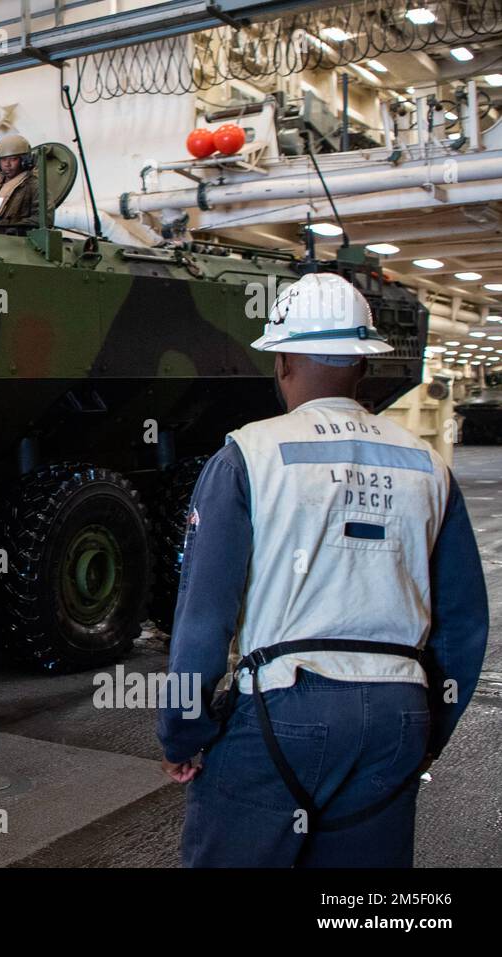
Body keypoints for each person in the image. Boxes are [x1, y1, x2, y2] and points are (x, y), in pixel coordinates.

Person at [156, 272, 489, 867]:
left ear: (281, 363)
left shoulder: (248, 457)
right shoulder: (428, 467)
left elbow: (202, 621)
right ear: (364, 367)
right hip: (398, 718)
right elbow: (463, 628)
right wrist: (428, 733)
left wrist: (184, 730)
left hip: (284, 713)